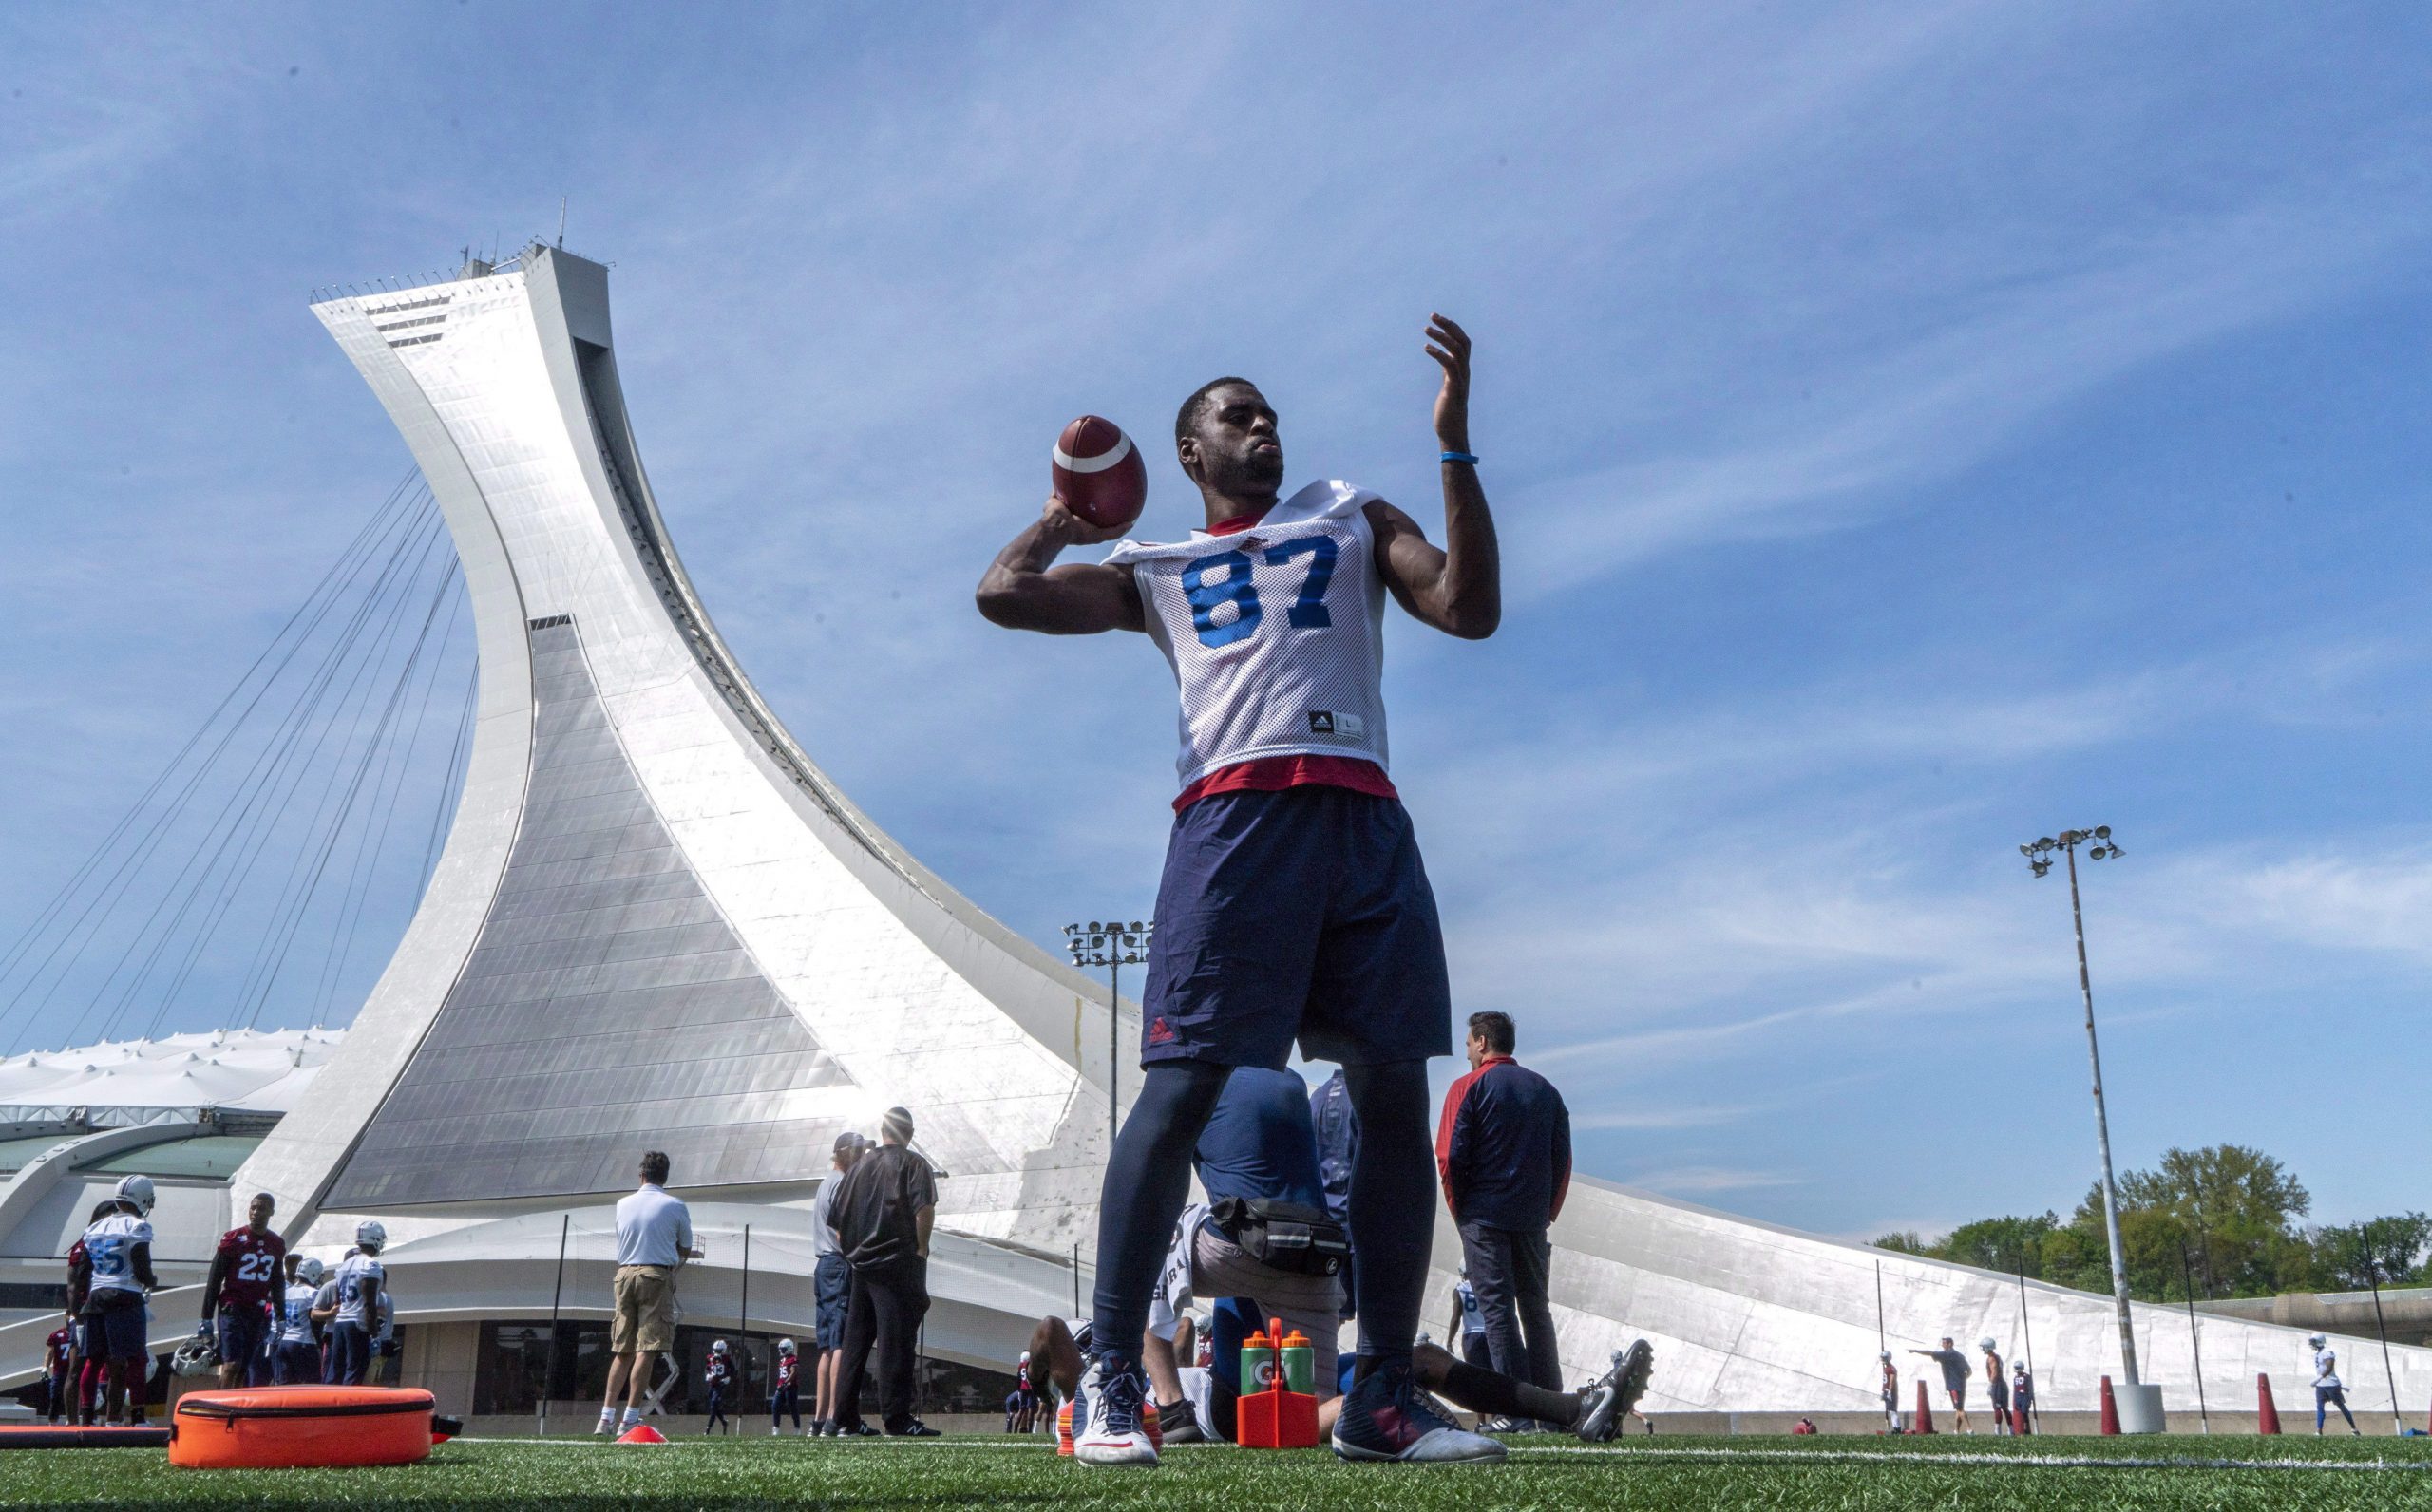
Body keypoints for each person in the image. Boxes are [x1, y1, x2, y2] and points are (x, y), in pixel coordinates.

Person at [976, 315, 1501, 1468]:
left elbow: (1467, 607)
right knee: (1180, 1087)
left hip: (1362, 812)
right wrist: (1067, 516)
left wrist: (1454, 447)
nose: (1264, 428)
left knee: (1387, 1092)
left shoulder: (1352, 514)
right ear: (1189, 452)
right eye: (1237, 416)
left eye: (1270, 414)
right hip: (1232, 817)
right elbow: (1002, 593)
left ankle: (1378, 1395)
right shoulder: (1151, 568)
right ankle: (1111, 1376)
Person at [1136, 1068, 1350, 1441]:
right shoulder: (1293, 1082)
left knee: (1134, 1254)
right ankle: (1377, 1401)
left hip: (1241, 1248)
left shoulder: (1202, 1077)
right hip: (1314, 1258)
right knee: (1311, 1418)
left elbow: (1156, 1165)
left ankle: (1171, 1408)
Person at [1436, 1011, 1572, 1430]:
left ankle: (1516, 1412)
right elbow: (1562, 1158)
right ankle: (1554, 1414)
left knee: (1496, 1312)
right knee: (1536, 1310)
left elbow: (1448, 1156)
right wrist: (1547, 1212)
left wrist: (1461, 1212)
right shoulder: (1545, 1090)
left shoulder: (1467, 1087)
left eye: (1467, 1044)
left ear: (1480, 1042)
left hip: (1483, 1216)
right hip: (1531, 1218)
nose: (1466, 1052)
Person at [826, 1107, 940, 1437]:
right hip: (896, 1263)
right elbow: (924, 1209)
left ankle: (843, 1419)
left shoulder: (859, 1166)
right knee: (897, 1342)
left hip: (860, 1266)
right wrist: (921, 1249)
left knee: (855, 1343)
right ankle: (896, 1418)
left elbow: (836, 1222)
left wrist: (853, 1251)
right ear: (910, 1132)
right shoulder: (913, 1163)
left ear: (883, 1129)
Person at [597, 1151, 703, 1437]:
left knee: (622, 1349)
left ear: (641, 1174)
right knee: (648, 1347)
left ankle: (604, 1418)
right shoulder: (675, 1205)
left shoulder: (622, 1204)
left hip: (624, 1274)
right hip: (655, 1276)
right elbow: (684, 1246)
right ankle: (629, 1417)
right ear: (665, 1177)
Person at [70, 1175, 157, 1425]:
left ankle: (86, 1418)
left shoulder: (94, 1228)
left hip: (96, 1297)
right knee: (135, 1359)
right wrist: (151, 1281)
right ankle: (137, 1418)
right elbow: (141, 1269)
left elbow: (82, 1273)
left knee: (95, 1361)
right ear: (142, 1198)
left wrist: (77, 1311)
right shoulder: (137, 1226)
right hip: (125, 1296)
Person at [197, 1191, 286, 1389]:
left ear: (272, 1212)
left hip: (257, 1310)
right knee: (231, 1364)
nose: (255, 1212)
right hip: (233, 1307)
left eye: (261, 1208)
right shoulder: (234, 1238)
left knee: (244, 1367)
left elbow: (278, 1281)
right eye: (253, 1207)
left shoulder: (276, 1243)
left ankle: (232, 1408)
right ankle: (220, 1407)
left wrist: (281, 1315)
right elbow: (215, 1279)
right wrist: (206, 1316)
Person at [809, 1132, 866, 1436]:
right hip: (839, 1264)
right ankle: (837, 1417)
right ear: (843, 1154)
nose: (861, 1156)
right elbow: (845, 1232)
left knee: (828, 1347)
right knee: (843, 1341)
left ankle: (819, 1420)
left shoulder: (824, 1183)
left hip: (823, 1266)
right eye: (857, 1151)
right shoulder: (843, 1184)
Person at [312, 1219, 388, 1387]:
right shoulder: (370, 1265)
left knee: (335, 1371)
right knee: (354, 1372)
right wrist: (374, 1334)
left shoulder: (345, 1265)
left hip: (340, 1322)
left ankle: (330, 1406)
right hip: (358, 1324)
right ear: (375, 1239)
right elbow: (369, 1304)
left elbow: (339, 1299)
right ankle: (346, 1409)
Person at [1309, 1068, 1359, 1320]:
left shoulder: (1316, 1098)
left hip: (1325, 1223)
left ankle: (1323, 1359)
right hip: (1358, 1222)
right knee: (1371, 1317)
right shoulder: (1361, 1096)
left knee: (1332, 1313)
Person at [275, 1256, 326, 1385]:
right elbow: (315, 1321)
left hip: (285, 1341)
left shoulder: (286, 1292)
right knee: (310, 1386)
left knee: (285, 1386)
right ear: (314, 1274)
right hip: (304, 1342)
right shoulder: (312, 1293)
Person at [1909, 1338, 1973, 1434]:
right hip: (1961, 1385)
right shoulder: (1960, 1356)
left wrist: (1916, 1351)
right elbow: (1969, 1371)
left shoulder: (1946, 1355)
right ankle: (1956, 1431)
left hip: (1953, 1386)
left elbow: (1930, 1353)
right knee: (1958, 1408)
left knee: (1959, 1409)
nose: (1943, 1345)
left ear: (1950, 1344)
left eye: (1944, 1343)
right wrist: (1962, 1379)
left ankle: (1970, 1429)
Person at [2309, 1333, 2360, 1436]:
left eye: (2313, 1342)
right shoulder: (2318, 1353)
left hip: (2331, 1384)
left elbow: (2329, 1368)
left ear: (2320, 1342)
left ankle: (2354, 1429)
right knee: (2320, 1407)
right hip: (2321, 1385)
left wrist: (2318, 1378)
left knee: (2341, 1406)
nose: (2312, 1344)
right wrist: (2318, 1381)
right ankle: (2319, 1431)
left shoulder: (2327, 1352)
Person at [1446, 1270, 1492, 1371]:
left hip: (1471, 1335)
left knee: (1475, 1373)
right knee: (1492, 1373)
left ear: (1462, 1273)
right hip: (1489, 1333)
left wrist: (1449, 1341)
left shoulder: (1459, 1290)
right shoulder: (1486, 1287)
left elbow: (1456, 1318)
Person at [771, 1337, 806, 1435]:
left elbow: (793, 1373)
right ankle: (776, 1429)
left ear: (789, 1348)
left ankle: (797, 1429)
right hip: (781, 1386)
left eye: (782, 1348)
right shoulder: (782, 1360)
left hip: (790, 1387)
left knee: (792, 1407)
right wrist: (781, 1384)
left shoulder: (793, 1359)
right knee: (775, 1406)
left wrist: (785, 1383)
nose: (780, 1350)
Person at [41, 1316, 71, 1425]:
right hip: (59, 1371)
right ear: (66, 1316)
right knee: (55, 1398)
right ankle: (52, 1423)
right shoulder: (57, 1335)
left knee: (74, 1398)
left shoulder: (80, 1333)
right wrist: (44, 1369)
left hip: (74, 1372)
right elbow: (50, 1353)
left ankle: (72, 1421)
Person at [702, 1338, 733, 1434]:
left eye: (719, 1351)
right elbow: (707, 1368)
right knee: (714, 1406)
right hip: (712, 1384)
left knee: (714, 1403)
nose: (717, 1352)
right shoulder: (710, 1357)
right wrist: (707, 1375)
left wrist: (728, 1377)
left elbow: (732, 1370)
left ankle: (708, 1429)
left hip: (720, 1384)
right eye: (716, 1350)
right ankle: (724, 1421)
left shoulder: (726, 1359)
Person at [1980, 1338, 2010, 1436]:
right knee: (2005, 1408)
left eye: (1984, 1347)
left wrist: (1991, 1384)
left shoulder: (1991, 1358)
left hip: (1997, 1385)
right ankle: (2011, 1430)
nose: (1983, 1349)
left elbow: (1994, 1372)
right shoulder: (1997, 1357)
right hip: (2002, 1384)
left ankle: (1998, 1431)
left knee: (1997, 1408)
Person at [1879, 1351, 1903, 1433]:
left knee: (1893, 1411)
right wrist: (1883, 1391)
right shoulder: (1886, 1368)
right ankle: (1895, 1427)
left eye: (1884, 1358)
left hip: (1891, 1392)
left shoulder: (1891, 1368)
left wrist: (1889, 1391)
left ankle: (1898, 1428)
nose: (1883, 1359)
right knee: (1890, 1411)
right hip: (1887, 1391)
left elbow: (1892, 1380)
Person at [2010, 1361, 2035, 1435]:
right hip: (2018, 1397)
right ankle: (2018, 1430)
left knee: (2024, 1413)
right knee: (2020, 1412)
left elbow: (2030, 1388)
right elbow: (2015, 1388)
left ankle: (2027, 1429)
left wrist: (2030, 1398)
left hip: (2024, 1396)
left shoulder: (2026, 1377)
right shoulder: (2015, 1378)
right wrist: (2015, 1398)